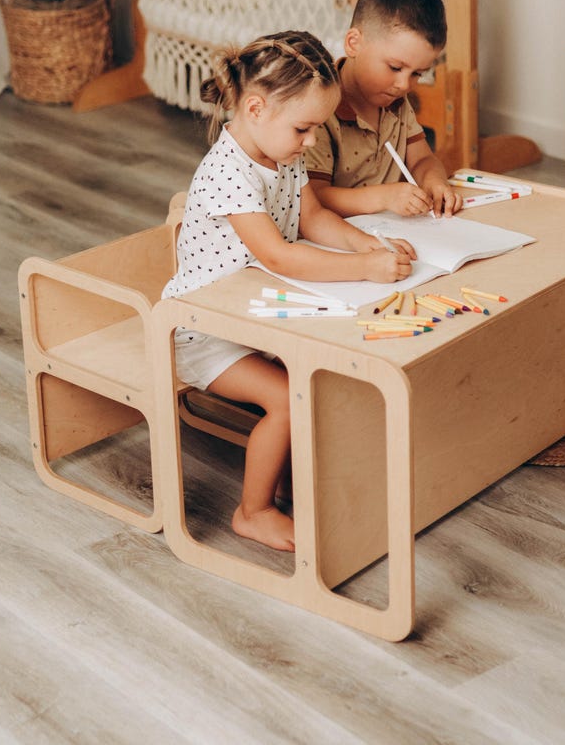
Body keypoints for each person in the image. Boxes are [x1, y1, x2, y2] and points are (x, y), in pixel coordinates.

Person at [162, 30, 416, 553]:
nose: (310, 141)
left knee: (326, 372)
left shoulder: (284, 153)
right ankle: (252, 511)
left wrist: (369, 244)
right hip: (204, 330)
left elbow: (316, 216)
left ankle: (292, 471)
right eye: (304, 128)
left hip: (256, 312)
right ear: (255, 108)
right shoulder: (226, 172)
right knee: (287, 397)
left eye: (316, 129)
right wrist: (364, 268)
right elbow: (279, 253)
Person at [306, 0, 463, 219]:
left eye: (417, 74)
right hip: (335, 240)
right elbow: (316, 195)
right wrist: (384, 197)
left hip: (393, 231)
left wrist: (435, 183)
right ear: (354, 43)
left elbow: (422, 159)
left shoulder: (397, 103)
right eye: (395, 67)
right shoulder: (320, 107)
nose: (404, 85)